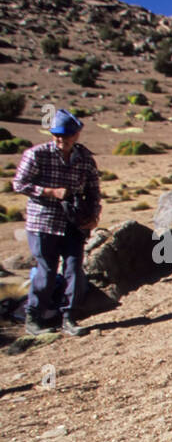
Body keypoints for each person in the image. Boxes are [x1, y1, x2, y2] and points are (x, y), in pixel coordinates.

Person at [12, 109, 100, 337]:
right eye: (56, 136)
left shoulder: (85, 158)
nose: (61, 141)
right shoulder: (37, 154)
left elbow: (93, 189)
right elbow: (19, 184)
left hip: (73, 222)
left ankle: (69, 317)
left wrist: (93, 215)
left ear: (76, 134)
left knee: (73, 268)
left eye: (66, 136)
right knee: (47, 270)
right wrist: (50, 191)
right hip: (43, 221)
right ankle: (34, 317)